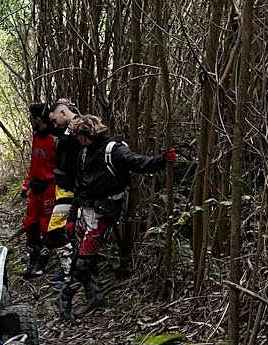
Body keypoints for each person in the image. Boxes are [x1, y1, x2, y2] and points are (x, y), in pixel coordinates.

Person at [59, 114, 178, 320]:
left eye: (79, 135)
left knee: (84, 259)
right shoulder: (85, 154)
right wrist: (71, 218)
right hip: (84, 211)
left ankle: (66, 298)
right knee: (80, 256)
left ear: (86, 134)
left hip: (103, 211)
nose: (77, 139)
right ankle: (93, 295)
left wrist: (162, 160)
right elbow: (80, 187)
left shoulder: (113, 150)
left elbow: (137, 162)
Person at [47, 99, 83, 288]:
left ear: (63, 113)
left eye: (55, 120)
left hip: (72, 189)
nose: (55, 125)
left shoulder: (81, 128)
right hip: (63, 188)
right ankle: (67, 271)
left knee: (56, 230)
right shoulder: (64, 130)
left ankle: (69, 275)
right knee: (66, 233)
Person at [21, 103, 58, 278]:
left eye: (31, 118)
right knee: (29, 223)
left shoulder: (55, 138)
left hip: (50, 187)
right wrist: (26, 185)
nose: (29, 120)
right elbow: (33, 164)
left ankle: (41, 262)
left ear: (38, 119)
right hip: (35, 187)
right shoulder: (36, 136)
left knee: (46, 226)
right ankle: (32, 259)